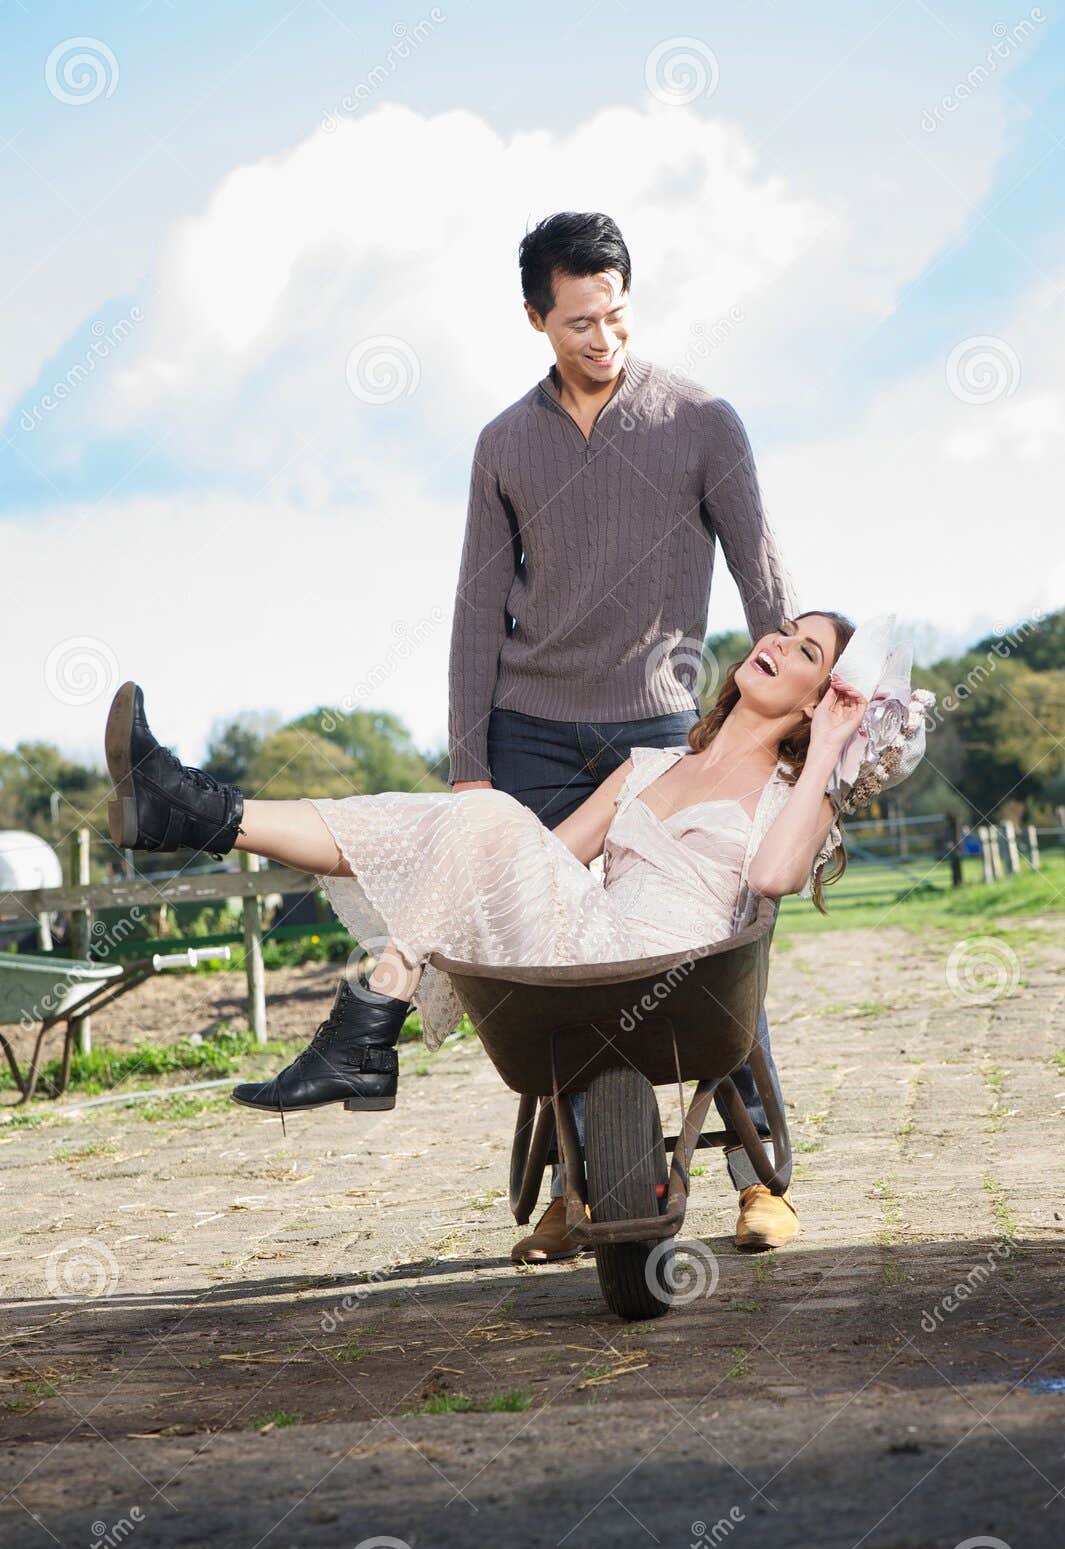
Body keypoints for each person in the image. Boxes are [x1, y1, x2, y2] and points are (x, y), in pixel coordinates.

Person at [228, 210, 803, 1255]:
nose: (602, 339)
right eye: (579, 321)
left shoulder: (703, 419)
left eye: (617, 315)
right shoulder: (505, 442)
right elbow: (473, 611)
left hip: (662, 730)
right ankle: (584, 1189)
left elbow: (765, 577)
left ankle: (758, 1174)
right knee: (551, 974)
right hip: (530, 734)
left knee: (720, 941)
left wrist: (803, 731)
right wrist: (467, 763)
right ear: (536, 316)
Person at [103, 611, 870, 1257]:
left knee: (479, 816)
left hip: (682, 982)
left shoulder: (795, 795)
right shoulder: (647, 766)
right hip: (582, 948)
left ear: (818, 701)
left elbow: (770, 879)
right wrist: (463, 851)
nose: (776, 644)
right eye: (778, 631)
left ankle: (212, 834)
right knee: (453, 822)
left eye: (807, 652)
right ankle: (201, 818)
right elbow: (555, 855)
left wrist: (827, 753)